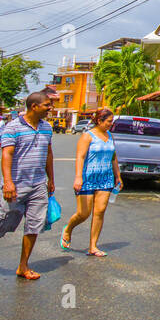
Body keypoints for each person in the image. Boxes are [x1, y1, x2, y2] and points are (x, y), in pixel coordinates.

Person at [0, 92, 54, 281]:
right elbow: (7, 155)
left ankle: (23, 266)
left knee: (34, 225)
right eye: (47, 105)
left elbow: (48, 154)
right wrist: (8, 182)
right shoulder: (12, 127)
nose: (50, 108)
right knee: (4, 221)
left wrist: (50, 179)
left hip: (38, 185)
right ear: (34, 106)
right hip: (17, 185)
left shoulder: (47, 128)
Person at [60, 106, 121, 257]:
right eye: (108, 121)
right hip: (88, 178)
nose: (110, 124)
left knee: (99, 212)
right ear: (99, 121)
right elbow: (80, 157)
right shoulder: (88, 136)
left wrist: (118, 176)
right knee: (83, 213)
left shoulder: (110, 136)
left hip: (105, 178)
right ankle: (68, 229)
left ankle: (93, 246)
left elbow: (113, 157)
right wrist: (78, 177)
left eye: (111, 121)